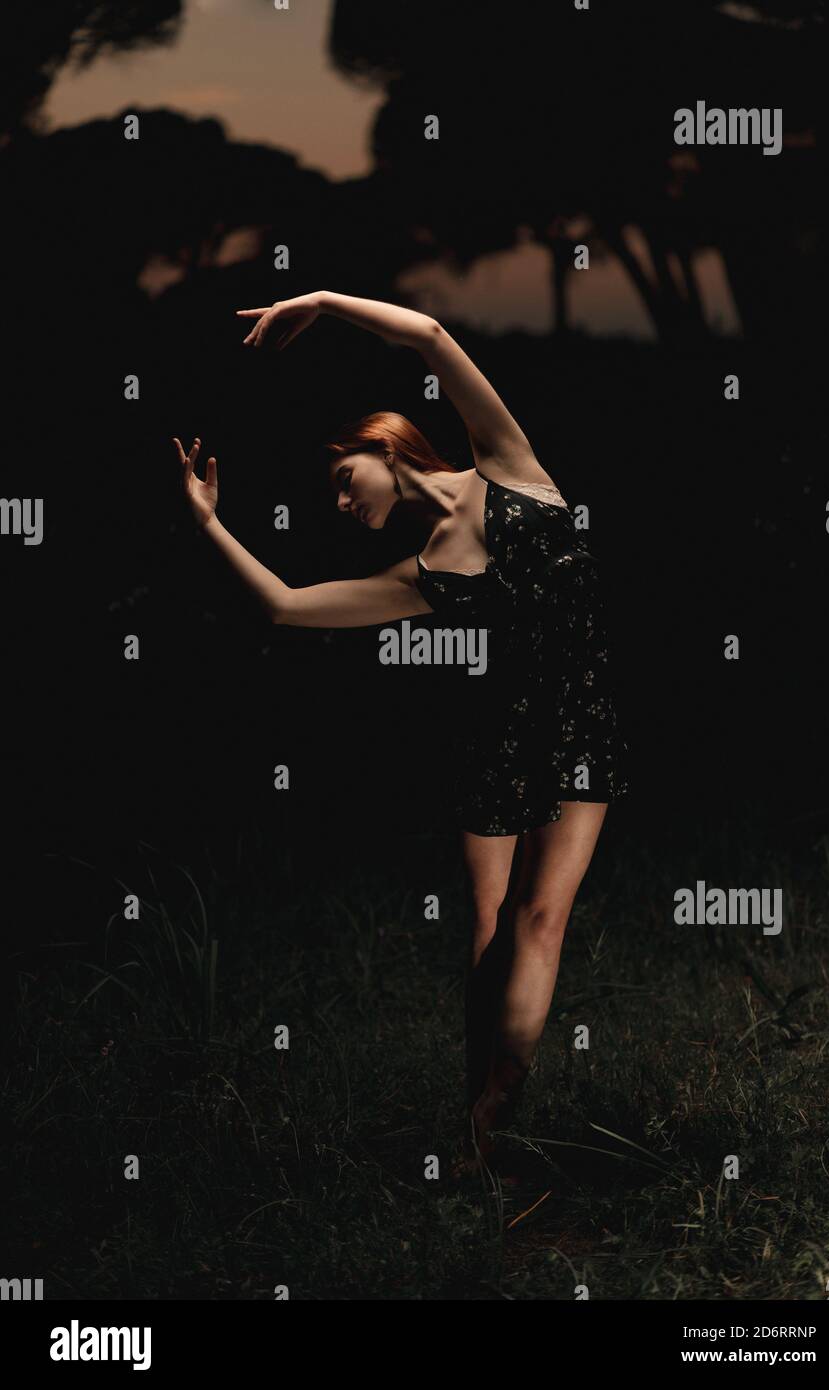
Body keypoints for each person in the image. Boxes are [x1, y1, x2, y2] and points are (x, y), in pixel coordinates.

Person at [173, 290, 628, 1178]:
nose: (342, 504)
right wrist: (207, 524)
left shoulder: (508, 466)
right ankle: (477, 1119)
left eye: (346, 480)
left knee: (539, 921)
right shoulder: (420, 578)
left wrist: (319, 302)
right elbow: (286, 606)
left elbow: (427, 333)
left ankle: (498, 1108)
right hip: (499, 732)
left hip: (578, 724)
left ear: (384, 446)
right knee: (490, 927)